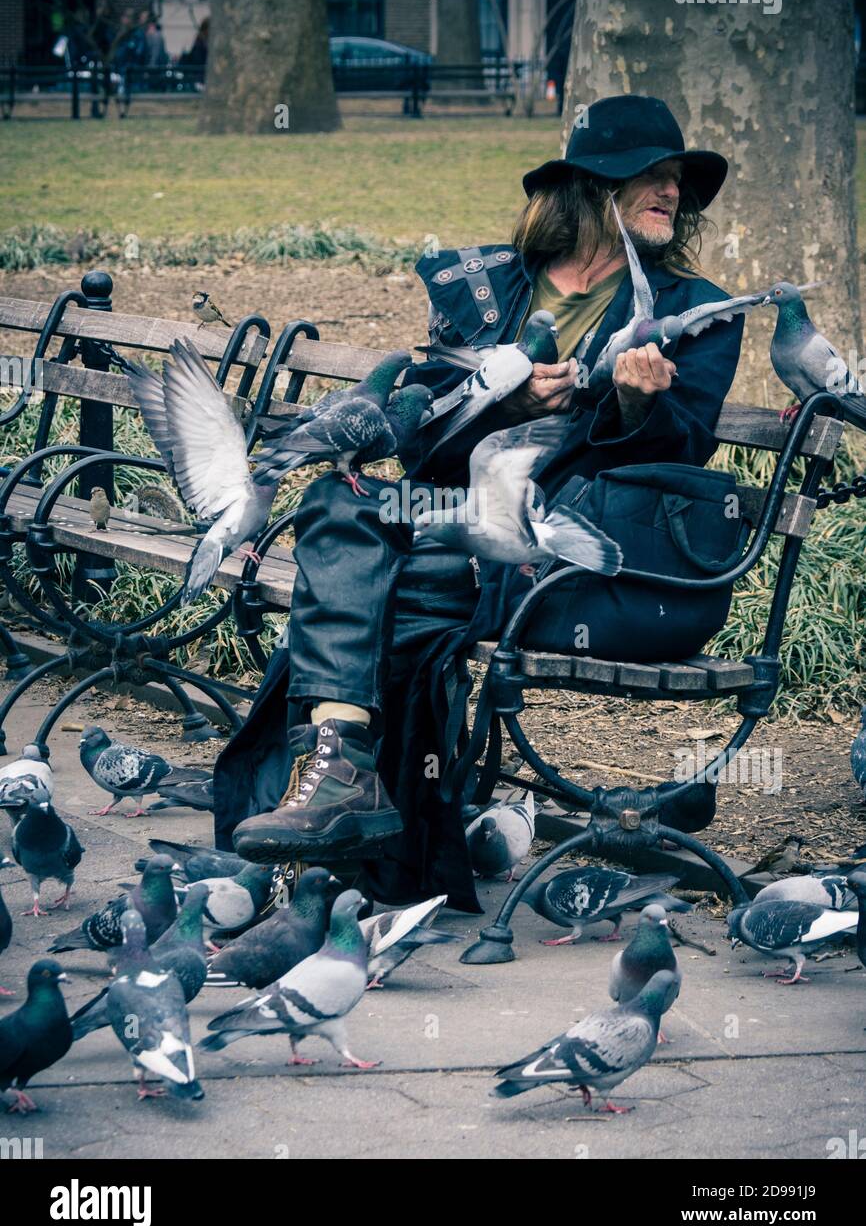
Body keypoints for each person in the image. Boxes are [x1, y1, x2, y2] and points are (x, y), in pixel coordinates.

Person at [213, 94, 745, 912]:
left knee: (388, 577)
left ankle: (338, 784)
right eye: (653, 175)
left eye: (678, 179)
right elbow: (422, 443)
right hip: (463, 521)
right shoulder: (488, 288)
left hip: (574, 548)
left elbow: (685, 453)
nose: (673, 192)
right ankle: (344, 768)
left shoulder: (690, 310)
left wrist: (637, 403)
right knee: (339, 502)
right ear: (592, 186)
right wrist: (506, 407)